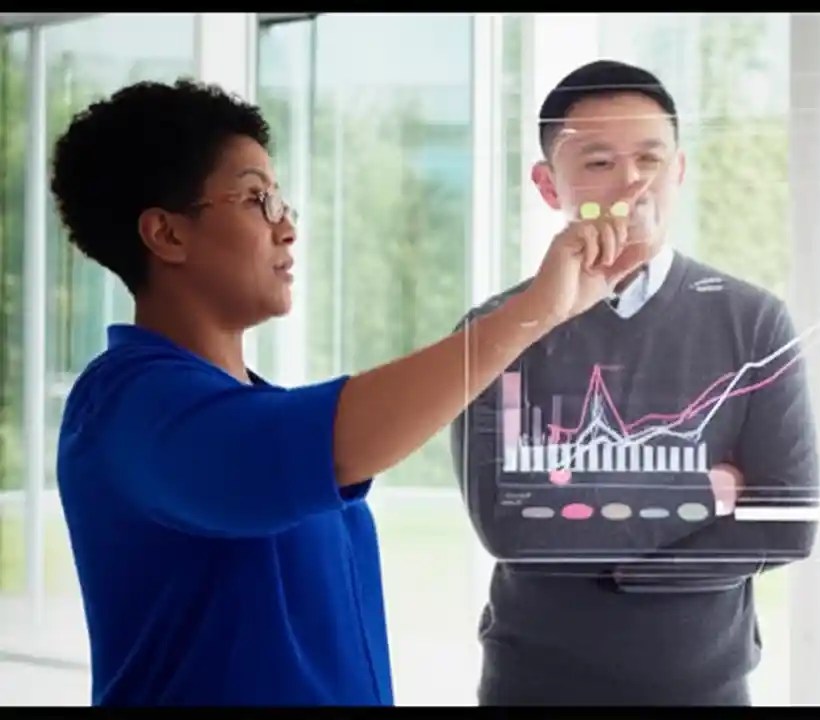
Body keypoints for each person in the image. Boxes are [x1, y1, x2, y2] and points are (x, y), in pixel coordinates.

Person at [51, 78, 654, 707]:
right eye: (257, 199)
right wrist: (533, 312)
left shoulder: (239, 406)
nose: (286, 228)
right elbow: (335, 439)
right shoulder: (128, 410)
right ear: (167, 235)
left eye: (281, 199)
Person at [451, 60, 820, 706]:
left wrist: (629, 568)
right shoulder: (496, 332)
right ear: (546, 183)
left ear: (678, 171)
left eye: (651, 158)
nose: (631, 182)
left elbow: (788, 521)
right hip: (533, 688)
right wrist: (705, 488)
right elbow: (509, 525)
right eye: (598, 162)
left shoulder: (754, 322)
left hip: (704, 689)